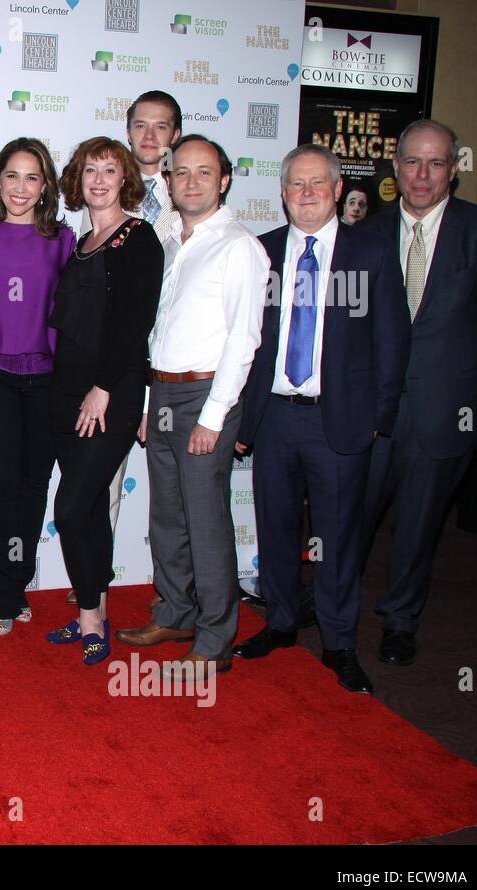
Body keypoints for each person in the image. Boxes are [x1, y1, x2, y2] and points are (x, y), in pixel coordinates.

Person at [233, 144, 410, 694]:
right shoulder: (262, 253)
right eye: (296, 185)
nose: (307, 194)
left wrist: (378, 418)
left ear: (336, 190)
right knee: (277, 527)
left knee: (336, 539)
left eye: (317, 184)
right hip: (276, 418)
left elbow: (392, 339)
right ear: (282, 193)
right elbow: (245, 342)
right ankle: (282, 621)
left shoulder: (372, 252)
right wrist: (243, 422)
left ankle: (338, 642)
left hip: (341, 421)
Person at [360, 119, 477, 665]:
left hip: (444, 410)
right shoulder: (366, 234)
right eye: (412, 162)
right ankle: (332, 604)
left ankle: (399, 621)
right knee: (351, 514)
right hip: (371, 411)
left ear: (454, 168)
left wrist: (459, 385)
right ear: (396, 167)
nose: (422, 175)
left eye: (436, 163)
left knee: (419, 525)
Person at [115, 134, 269, 680]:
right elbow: (161, 327)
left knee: (205, 522)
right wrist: (147, 398)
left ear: (224, 179)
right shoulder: (171, 242)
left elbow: (244, 340)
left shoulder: (240, 247)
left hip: (206, 396)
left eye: (204, 172)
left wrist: (213, 416)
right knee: (167, 517)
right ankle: (175, 613)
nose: (192, 182)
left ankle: (215, 637)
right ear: (170, 181)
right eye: (181, 173)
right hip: (162, 391)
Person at [67, 89, 182, 614]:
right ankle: (96, 588)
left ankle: (175, 600)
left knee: (174, 499)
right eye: (141, 125)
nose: (150, 136)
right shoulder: (85, 226)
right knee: (99, 491)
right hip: (100, 376)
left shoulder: (184, 206)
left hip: (155, 372)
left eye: (161, 127)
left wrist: (142, 386)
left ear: (174, 135)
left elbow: (156, 309)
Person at [48, 138, 162, 664]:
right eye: (89, 170)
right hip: (66, 393)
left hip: (108, 395)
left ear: (125, 180)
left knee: (70, 508)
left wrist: (105, 389)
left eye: (109, 170)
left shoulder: (138, 238)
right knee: (90, 507)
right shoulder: (79, 242)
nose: (98, 179)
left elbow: (134, 323)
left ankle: (95, 609)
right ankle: (91, 618)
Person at [0, 138, 74, 637]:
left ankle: (20, 580)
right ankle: (2, 593)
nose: (21, 188)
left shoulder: (64, 239)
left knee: (33, 486)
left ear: (45, 185)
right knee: (1, 484)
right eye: (12, 176)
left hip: (47, 377)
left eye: (32, 178)